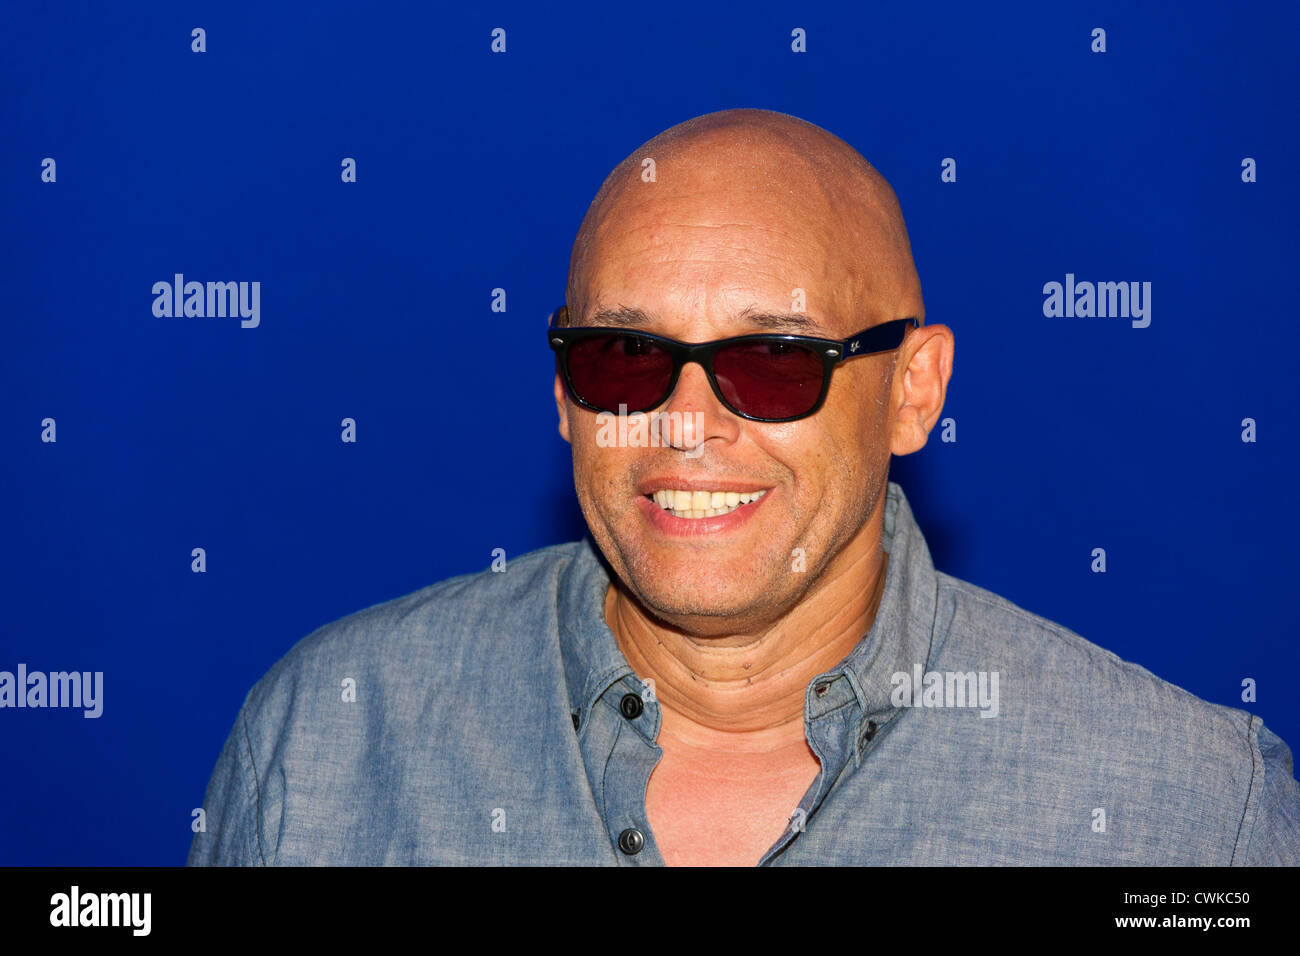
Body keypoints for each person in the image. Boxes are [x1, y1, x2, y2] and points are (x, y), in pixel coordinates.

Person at [189, 108, 1300, 866]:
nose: (686, 423)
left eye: (774, 360)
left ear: (914, 390)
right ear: (565, 393)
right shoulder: (326, 740)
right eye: (623, 358)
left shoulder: (1189, 809)